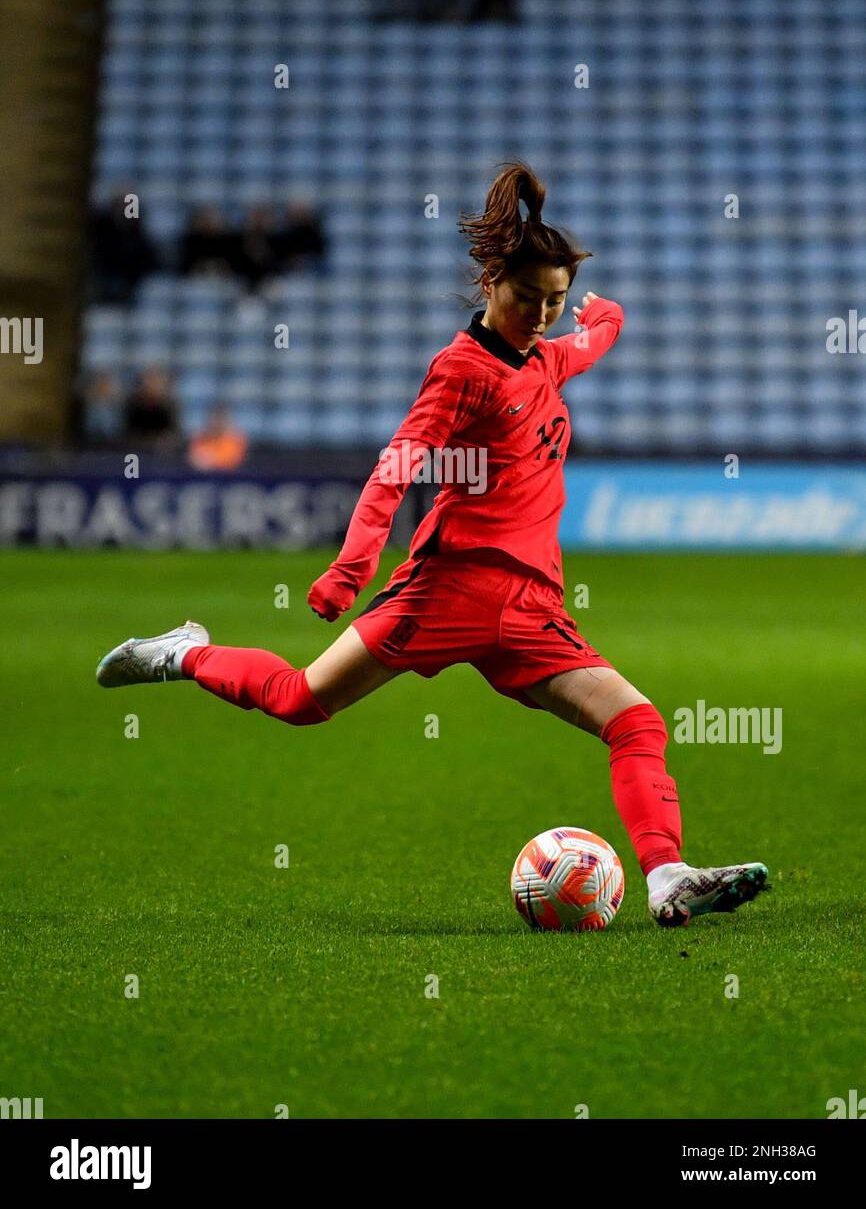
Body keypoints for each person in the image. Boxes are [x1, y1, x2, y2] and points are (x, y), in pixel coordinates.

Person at [95, 163, 768, 929]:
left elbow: (591, 342)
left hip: (533, 606)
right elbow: (396, 465)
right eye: (528, 298)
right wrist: (353, 566)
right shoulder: (461, 371)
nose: (542, 314)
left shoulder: (547, 357)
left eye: (553, 301)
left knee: (637, 721)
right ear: (490, 284)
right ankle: (183, 652)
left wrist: (602, 313)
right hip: (451, 590)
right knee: (301, 701)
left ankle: (667, 875)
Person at [187, 405, 248, 472]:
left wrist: (211, 461)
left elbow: (234, 461)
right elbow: (194, 460)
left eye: (221, 419)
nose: (217, 423)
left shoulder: (236, 440)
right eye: (214, 419)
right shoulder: (200, 439)